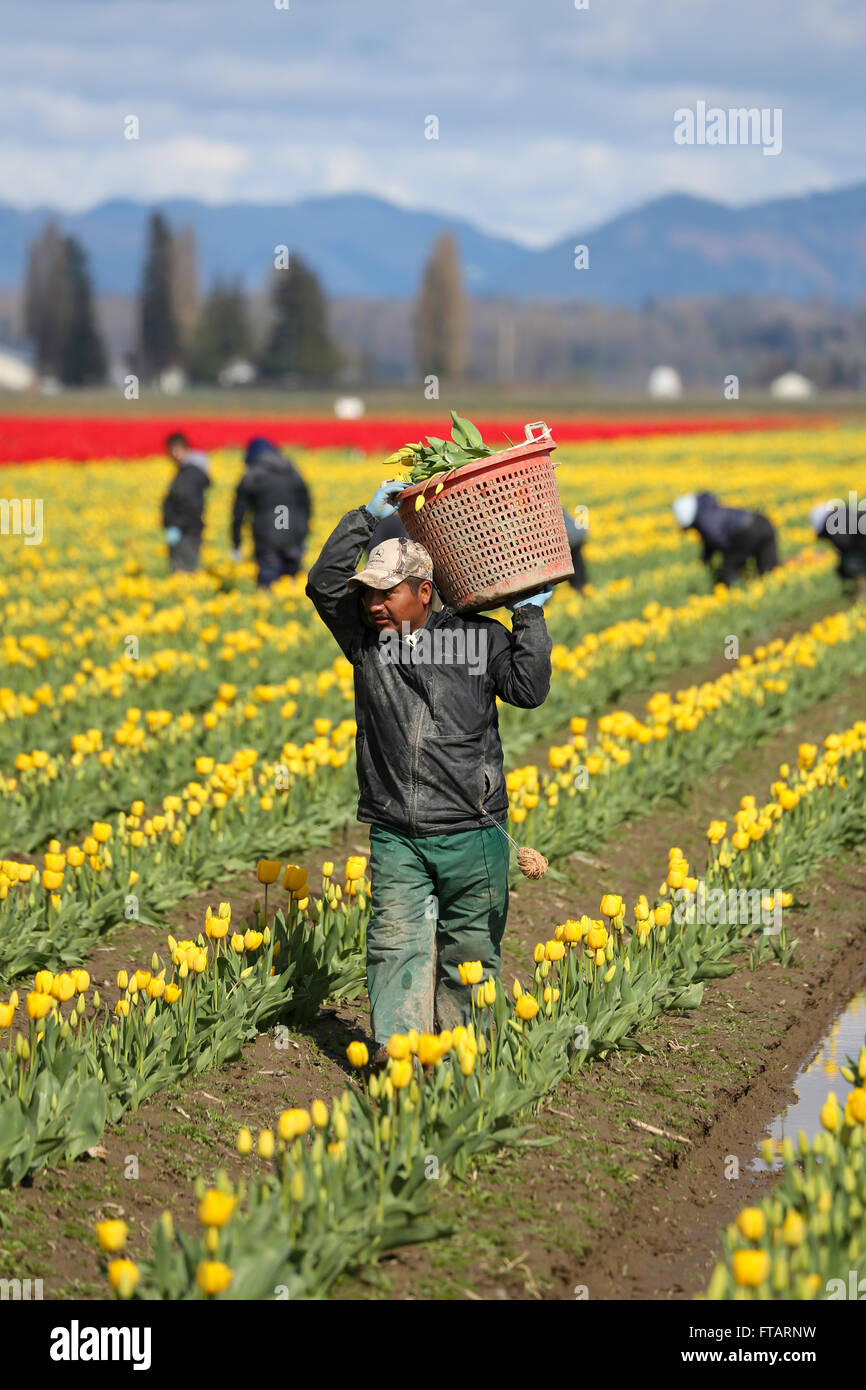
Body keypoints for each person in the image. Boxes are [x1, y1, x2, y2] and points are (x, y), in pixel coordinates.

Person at [305, 478, 553, 1066]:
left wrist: (529, 617)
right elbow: (322, 585)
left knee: (469, 953)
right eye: (368, 594)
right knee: (396, 945)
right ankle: (398, 1057)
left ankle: (460, 1060)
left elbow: (529, 688)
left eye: (386, 594)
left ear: (423, 591)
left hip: (474, 832)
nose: (373, 605)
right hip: (398, 832)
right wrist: (366, 517)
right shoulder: (369, 645)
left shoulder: (479, 640)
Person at [231, 437, 312, 588]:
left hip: (267, 538)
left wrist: (236, 542)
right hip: (293, 535)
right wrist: (304, 532)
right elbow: (306, 505)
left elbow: (238, 512)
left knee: (268, 582)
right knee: (291, 582)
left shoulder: (252, 475)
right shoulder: (293, 472)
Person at [673, 491, 778, 587]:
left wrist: (712, 563)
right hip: (763, 523)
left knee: (729, 567)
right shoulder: (710, 509)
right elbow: (710, 543)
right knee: (768, 573)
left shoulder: (705, 519)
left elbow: (718, 542)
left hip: (748, 532)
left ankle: (735, 596)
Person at [162, 431, 211, 573]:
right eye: (171, 451)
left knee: (183, 571)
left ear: (185, 449)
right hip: (186, 529)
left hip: (186, 531)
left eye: (176, 450)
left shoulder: (189, 474)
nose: (173, 455)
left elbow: (190, 504)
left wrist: (177, 525)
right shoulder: (186, 471)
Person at [810, 501, 866, 600]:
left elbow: (845, 544)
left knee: (851, 563)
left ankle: (861, 595)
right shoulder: (843, 514)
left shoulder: (833, 524)